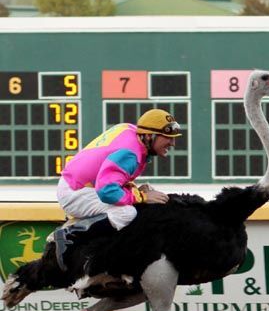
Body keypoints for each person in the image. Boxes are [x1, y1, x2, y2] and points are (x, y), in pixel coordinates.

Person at [52, 109, 181, 261]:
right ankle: (71, 236)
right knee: (126, 213)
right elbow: (107, 191)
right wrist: (142, 196)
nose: (172, 143)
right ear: (148, 136)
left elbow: (108, 172)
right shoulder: (130, 154)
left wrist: (131, 188)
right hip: (75, 192)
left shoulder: (129, 129)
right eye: (167, 138)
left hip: (78, 185)